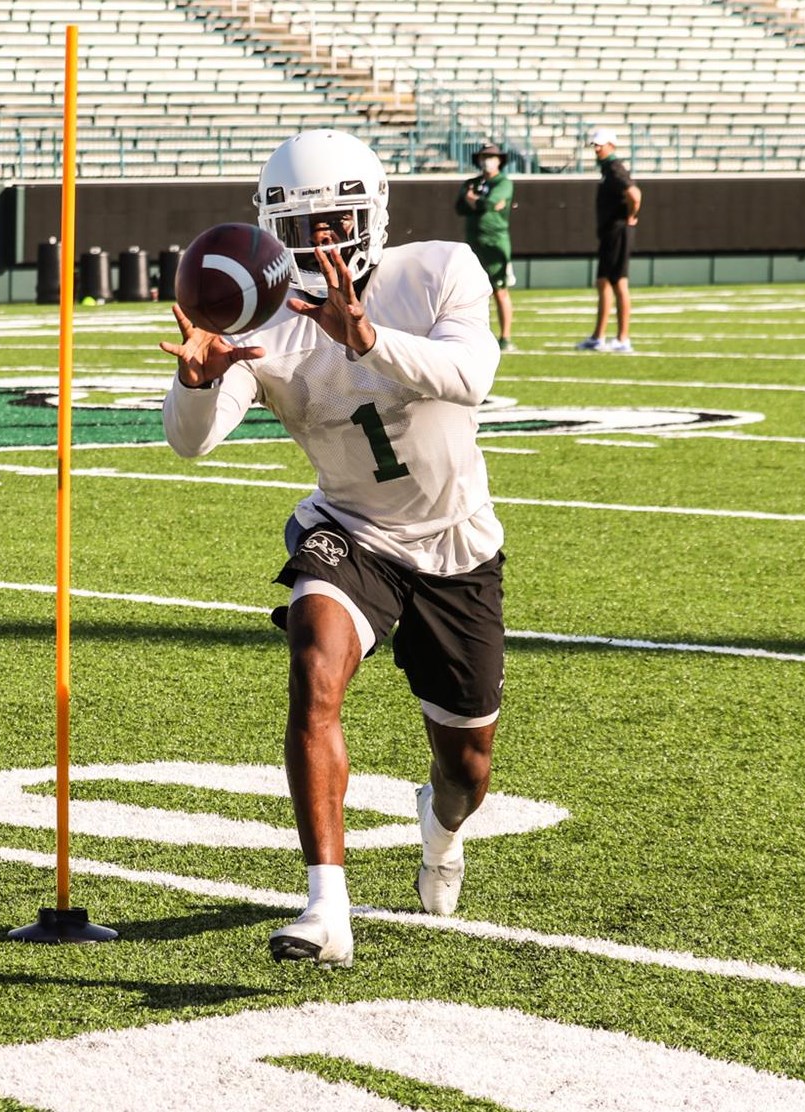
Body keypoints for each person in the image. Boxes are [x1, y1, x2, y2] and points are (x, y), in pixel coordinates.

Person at [160, 129, 506, 970]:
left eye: (336, 218)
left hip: (455, 544)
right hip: (349, 531)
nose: (321, 240)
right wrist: (196, 381)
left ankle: (439, 824)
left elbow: (473, 375)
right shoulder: (265, 320)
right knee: (314, 664)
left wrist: (368, 339)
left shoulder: (439, 269)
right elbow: (189, 443)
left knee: (467, 769)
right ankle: (326, 905)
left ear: (374, 210)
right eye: (301, 223)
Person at [576, 127, 641, 354]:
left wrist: (630, 216)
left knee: (618, 282)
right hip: (610, 231)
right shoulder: (608, 169)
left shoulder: (614, 168)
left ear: (611, 145)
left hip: (618, 230)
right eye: (595, 145)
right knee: (604, 282)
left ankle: (623, 338)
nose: (596, 149)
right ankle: (598, 336)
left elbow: (635, 194)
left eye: (599, 145)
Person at [456, 140, 516, 351]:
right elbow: (461, 205)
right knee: (471, 291)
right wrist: (475, 200)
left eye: (491, 157)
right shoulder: (473, 182)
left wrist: (475, 200)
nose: (487, 161)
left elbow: (490, 204)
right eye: (484, 157)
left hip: (495, 241)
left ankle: (506, 336)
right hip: (473, 242)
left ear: (499, 160)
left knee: (500, 290)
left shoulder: (503, 183)